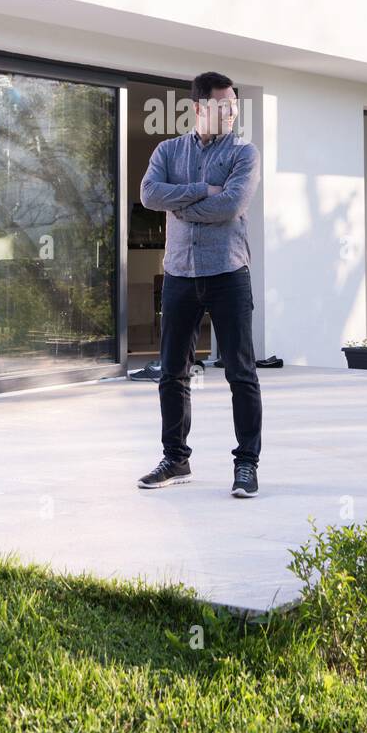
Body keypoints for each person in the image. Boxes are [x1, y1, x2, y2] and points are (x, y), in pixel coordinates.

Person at [137, 71, 262, 498]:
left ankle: (246, 464)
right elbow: (150, 195)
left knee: (241, 372)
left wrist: (182, 205)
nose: (229, 114)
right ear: (197, 108)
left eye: (233, 106)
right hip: (179, 275)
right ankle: (176, 459)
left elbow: (231, 204)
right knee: (172, 373)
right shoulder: (167, 150)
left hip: (228, 273)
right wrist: (200, 190)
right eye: (221, 106)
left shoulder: (244, 153)